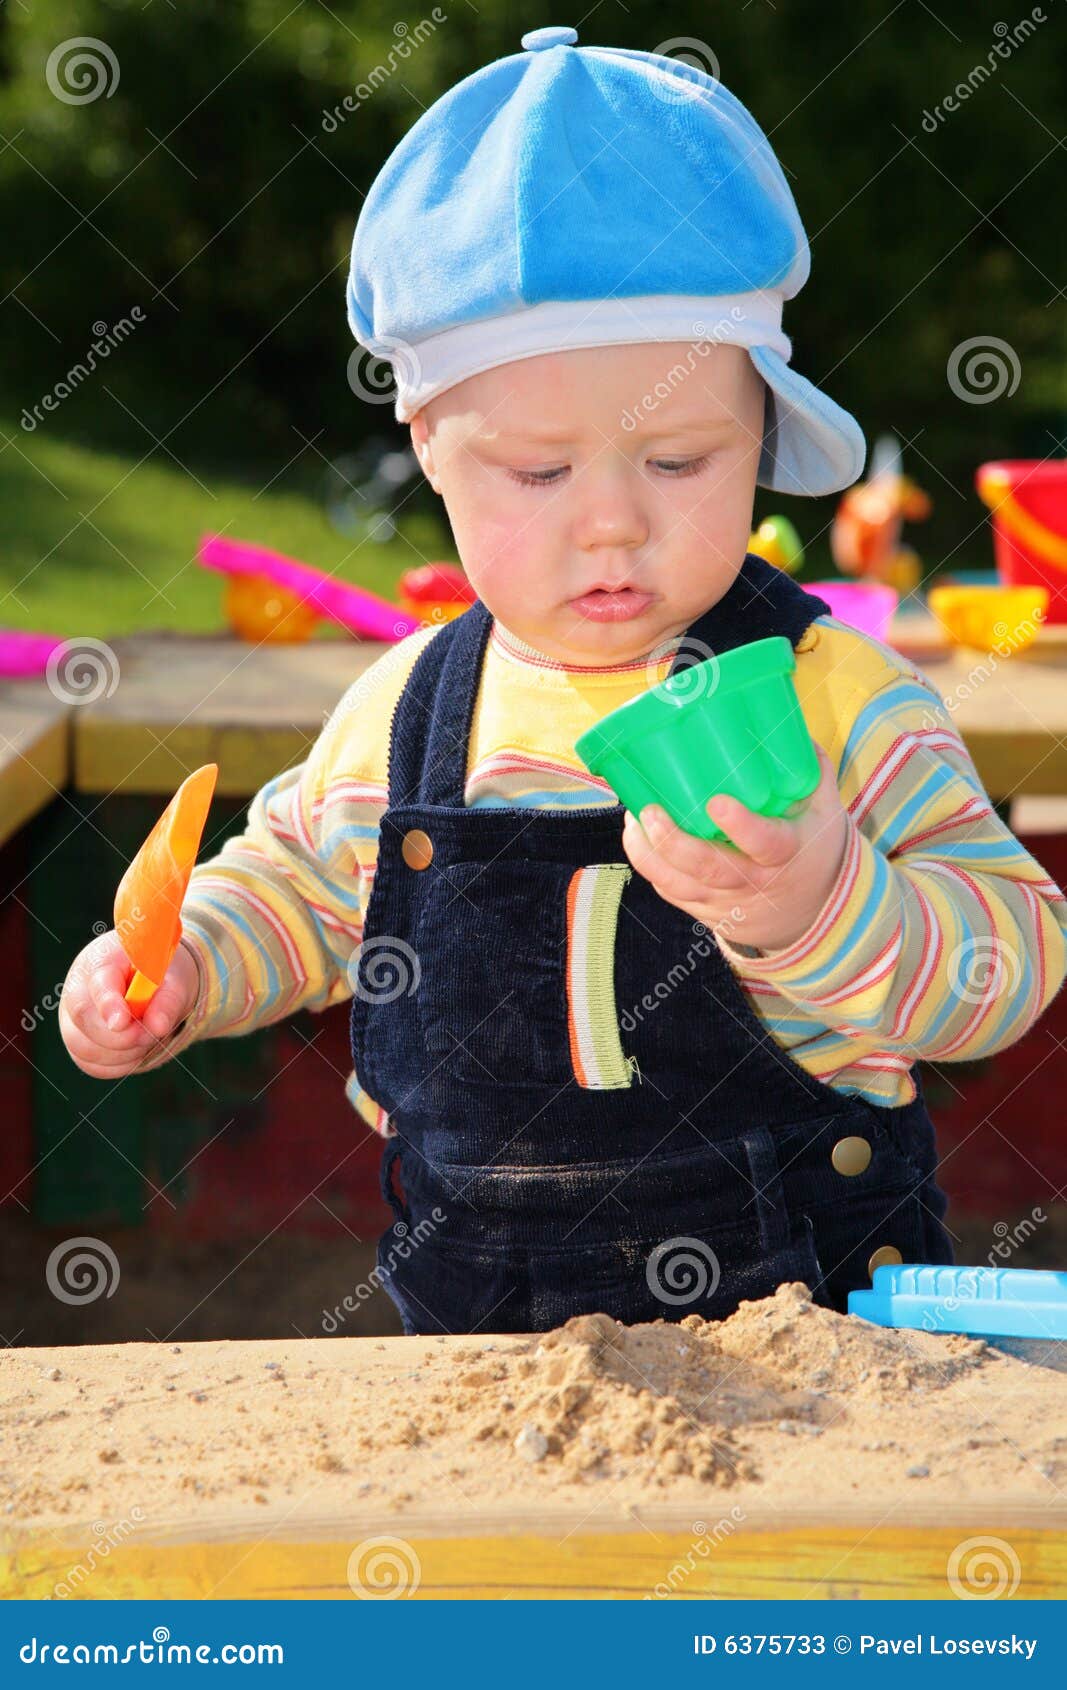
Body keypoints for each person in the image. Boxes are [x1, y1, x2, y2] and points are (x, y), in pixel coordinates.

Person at [60, 27, 1067, 1336]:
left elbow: (1013, 959)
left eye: (680, 461)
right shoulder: (409, 713)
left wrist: (826, 899)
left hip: (811, 1348)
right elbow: (307, 894)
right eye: (540, 474)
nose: (612, 524)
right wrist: (190, 956)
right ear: (430, 446)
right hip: (483, 1350)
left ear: (761, 430)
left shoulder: (832, 695)